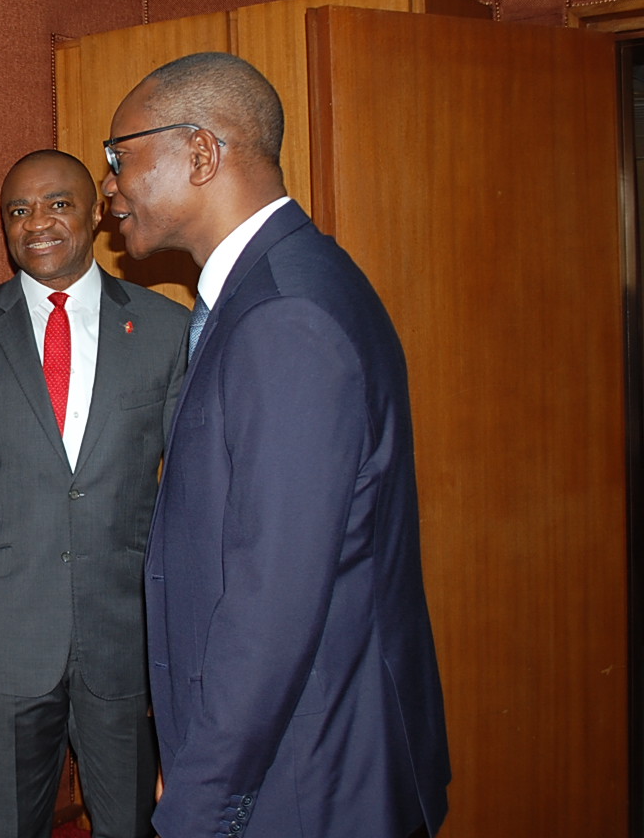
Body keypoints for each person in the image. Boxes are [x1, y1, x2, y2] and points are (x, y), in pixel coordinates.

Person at [101, 53, 450, 838]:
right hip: (286, 750)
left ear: (200, 152)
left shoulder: (286, 316)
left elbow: (272, 604)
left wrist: (201, 800)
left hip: (305, 771)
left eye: (120, 157)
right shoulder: (281, 283)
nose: (110, 187)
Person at [0, 149, 188, 838]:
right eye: (18, 210)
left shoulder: (165, 331)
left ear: (97, 212)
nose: (37, 222)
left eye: (58, 203)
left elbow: (189, 501)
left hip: (127, 642)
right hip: (3, 648)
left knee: (132, 826)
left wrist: (186, 646)